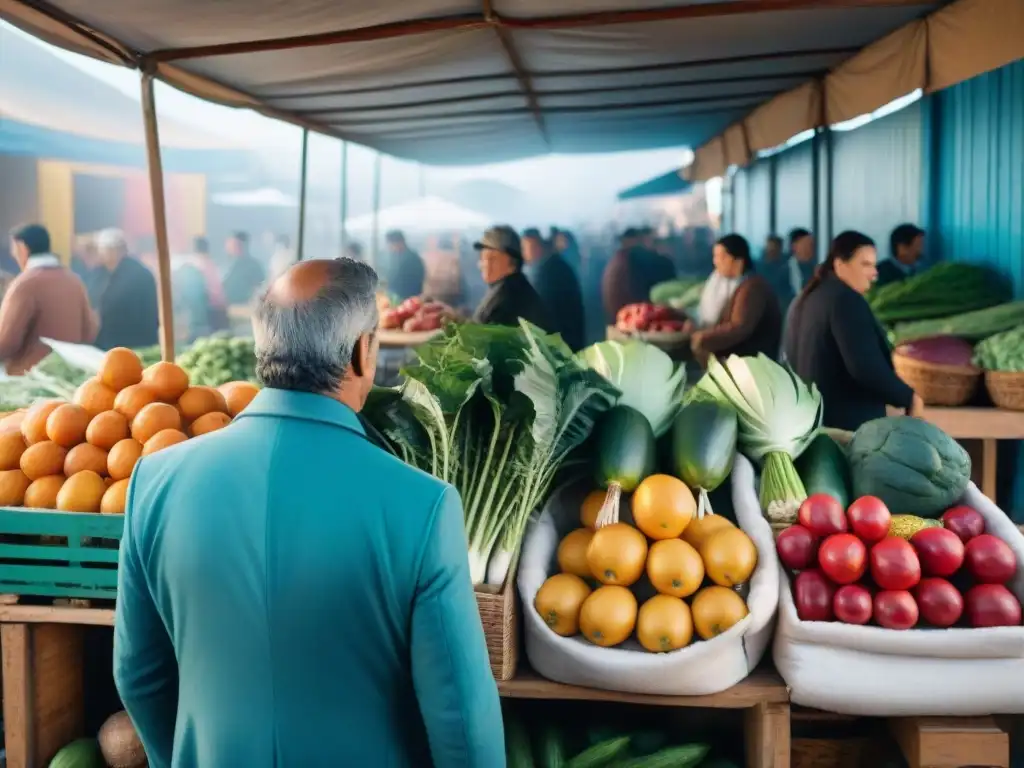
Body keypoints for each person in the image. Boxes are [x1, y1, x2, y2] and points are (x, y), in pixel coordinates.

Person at [114, 257, 504, 767]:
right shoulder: (423, 506)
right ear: (363, 353)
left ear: (263, 348)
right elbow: (461, 723)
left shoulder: (154, 482)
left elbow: (138, 676)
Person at [785, 230, 924, 431]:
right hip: (845, 429)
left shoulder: (807, 298)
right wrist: (908, 397)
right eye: (865, 264)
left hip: (809, 425)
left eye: (874, 265)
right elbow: (865, 367)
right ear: (840, 264)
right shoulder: (845, 300)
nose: (874, 273)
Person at [0, 224, 97, 374]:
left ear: (22, 248)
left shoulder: (24, 284)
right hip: (70, 374)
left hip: (32, 378)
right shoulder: (74, 281)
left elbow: (6, 342)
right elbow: (90, 330)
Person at [690, 234, 782, 366]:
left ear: (738, 261)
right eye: (715, 256)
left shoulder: (752, 289)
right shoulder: (742, 284)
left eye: (721, 257)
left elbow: (739, 327)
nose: (715, 262)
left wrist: (704, 338)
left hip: (753, 367)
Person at [472, 225, 552, 330]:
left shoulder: (507, 298)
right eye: (483, 257)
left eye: (493, 259)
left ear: (512, 264)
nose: (485, 265)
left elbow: (479, 338)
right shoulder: (511, 288)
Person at [92, 229, 160, 350]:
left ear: (114, 250)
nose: (99, 254)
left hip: (132, 342)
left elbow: (114, 306)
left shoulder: (136, 274)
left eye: (102, 249)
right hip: (114, 342)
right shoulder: (103, 272)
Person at [522, 228, 585, 351]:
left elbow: (540, 316)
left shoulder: (545, 272)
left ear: (536, 246)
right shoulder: (557, 266)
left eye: (525, 248)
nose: (523, 254)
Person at [601, 227, 676, 322]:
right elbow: (667, 270)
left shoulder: (617, 259)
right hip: (632, 316)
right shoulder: (633, 258)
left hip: (620, 317)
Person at [222, 231, 266, 306]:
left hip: (243, 309)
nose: (228, 247)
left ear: (240, 245)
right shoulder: (230, 265)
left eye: (232, 244)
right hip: (227, 307)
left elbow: (259, 290)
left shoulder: (253, 266)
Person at [876, 223, 925, 287]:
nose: (920, 251)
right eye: (917, 246)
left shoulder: (918, 272)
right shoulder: (879, 274)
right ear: (902, 249)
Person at [383, 230, 426, 300]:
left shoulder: (412, 258)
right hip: (396, 296)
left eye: (391, 244)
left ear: (400, 242)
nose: (389, 247)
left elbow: (418, 279)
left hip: (408, 298)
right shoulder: (396, 256)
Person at [758, 234, 794, 313]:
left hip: (781, 301)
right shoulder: (758, 265)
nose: (772, 251)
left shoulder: (787, 265)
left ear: (780, 249)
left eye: (775, 248)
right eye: (770, 248)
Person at [786, 228, 816, 296]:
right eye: (805, 245)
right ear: (794, 246)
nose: (809, 249)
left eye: (811, 245)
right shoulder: (785, 272)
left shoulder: (816, 270)